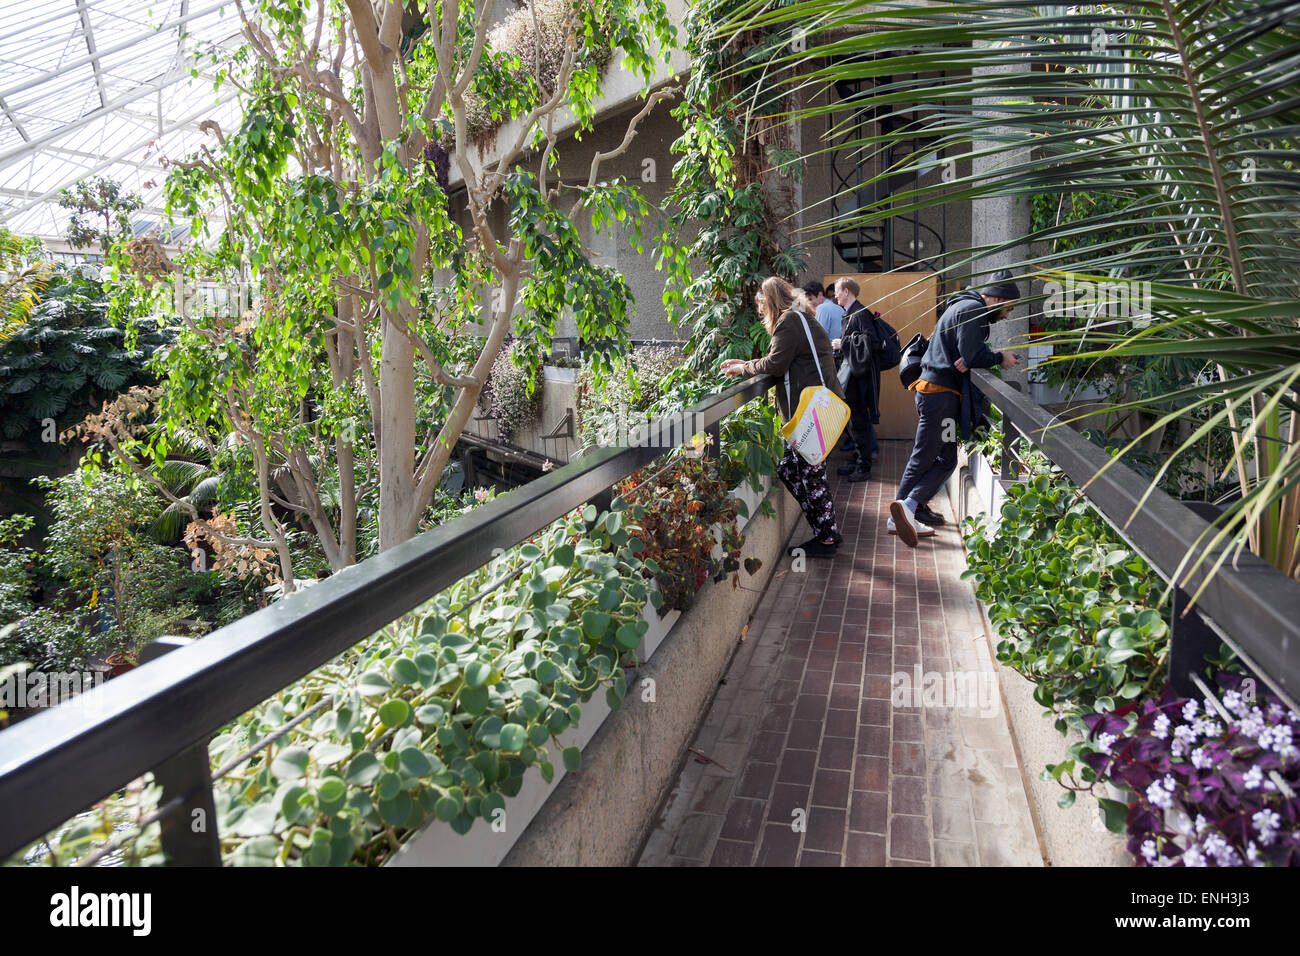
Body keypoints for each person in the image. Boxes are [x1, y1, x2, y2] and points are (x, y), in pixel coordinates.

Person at [889, 270, 1022, 547]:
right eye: (1008, 308)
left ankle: (910, 506)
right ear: (996, 299)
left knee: (946, 458)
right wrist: (999, 357)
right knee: (925, 455)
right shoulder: (972, 309)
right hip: (938, 398)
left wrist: (969, 357)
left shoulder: (962, 305)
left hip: (940, 396)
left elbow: (967, 355)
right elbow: (972, 354)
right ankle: (899, 513)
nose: (1008, 315)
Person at [721, 276, 844, 558]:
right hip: (817, 407)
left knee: (811, 474)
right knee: (791, 468)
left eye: (762, 304)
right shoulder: (801, 317)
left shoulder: (789, 321)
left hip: (811, 412)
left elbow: (775, 364)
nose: (761, 310)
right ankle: (827, 530)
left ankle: (826, 538)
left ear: (771, 300)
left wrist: (743, 368)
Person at [832, 277, 879, 482]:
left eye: (837, 291)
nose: (835, 296)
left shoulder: (860, 314)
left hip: (859, 380)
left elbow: (871, 343)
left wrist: (843, 344)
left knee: (858, 421)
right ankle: (858, 461)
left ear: (847, 291)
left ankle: (864, 467)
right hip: (853, 377)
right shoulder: (852, 314)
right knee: (853, 422)